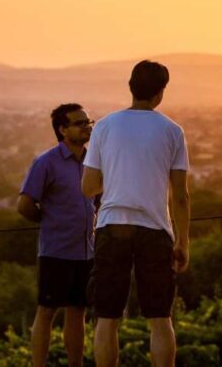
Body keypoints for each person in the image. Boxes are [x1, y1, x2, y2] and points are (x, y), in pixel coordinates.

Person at [80, 60, 190, 367]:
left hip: (111, 225)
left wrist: (115, 180)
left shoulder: (103, 126)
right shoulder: (172, 131)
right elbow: (180, 197)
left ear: (131, 87)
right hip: (155, 229)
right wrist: (183, 241)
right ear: (160, 94)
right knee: (160, 318)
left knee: (107, 318)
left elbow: (87, 187)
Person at [17, 103, 97, 367]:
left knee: (78, 312)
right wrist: (50, 221)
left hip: (86, 250)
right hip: (56, 250)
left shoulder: (94, 161)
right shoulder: (46, 162)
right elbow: (24, 205)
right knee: (47, 312)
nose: (87, 127)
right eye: (79, 123)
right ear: (62, 130)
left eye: (88, 122)